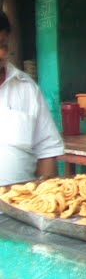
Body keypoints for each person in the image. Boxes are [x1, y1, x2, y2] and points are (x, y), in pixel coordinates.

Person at [0, 10, 64, 185]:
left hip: (20, 207)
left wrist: (43, 201)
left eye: (4, 45)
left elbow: (47, 151)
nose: (1, 54)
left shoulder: (26, 88)